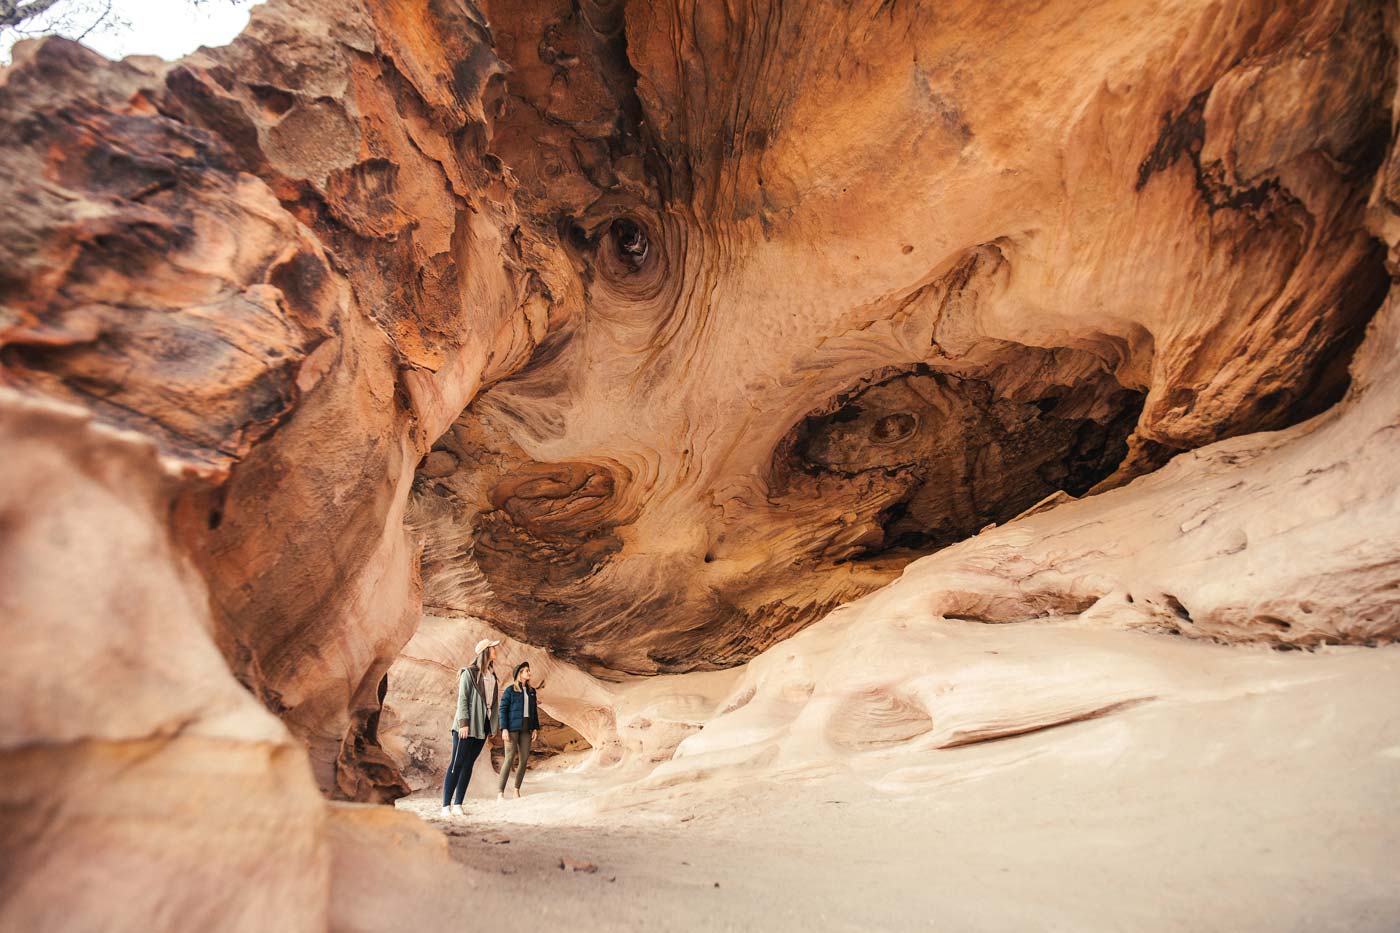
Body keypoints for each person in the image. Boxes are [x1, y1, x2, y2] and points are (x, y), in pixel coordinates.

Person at [441, 637, 500, 817]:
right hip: (466, 727)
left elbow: (493, 703)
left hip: (482, 727)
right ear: (485, 652)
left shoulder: (492, 676)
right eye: (492, 647)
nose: (496, 650)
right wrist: (463, 724)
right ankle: (445, 806)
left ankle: (458, 804)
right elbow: (463, 700)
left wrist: (492, 726)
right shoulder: (470, 673)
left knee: (468, 765)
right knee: (456, 763)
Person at [496, 661, 540, 801]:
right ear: (519, 674)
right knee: (509, 759)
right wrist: (504, 729)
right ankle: (500, 793)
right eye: (526, 670)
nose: (529, 673)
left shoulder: (532, 692)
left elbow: (534, 712)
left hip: (527, 728)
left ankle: (516, 791)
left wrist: (535, 728)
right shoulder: (510, 690)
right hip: (512, 728)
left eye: (529, 670)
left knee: (524, 759)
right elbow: (502, 709)